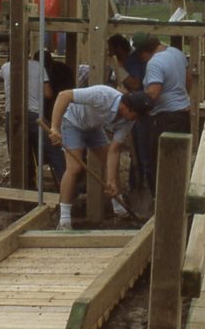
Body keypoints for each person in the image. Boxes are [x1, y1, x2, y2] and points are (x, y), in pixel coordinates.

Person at [48, 86, 153, 230]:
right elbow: (63, 95)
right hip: (73, 122)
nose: (136, 119)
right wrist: (55, 127)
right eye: (136, 115)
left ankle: (118, 207)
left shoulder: (129, 121)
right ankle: (64, 219)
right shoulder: (102, 95)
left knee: (111, 165)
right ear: (126, 108)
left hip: (94, 127)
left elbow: (114, 151)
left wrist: (111, 181)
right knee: (74, 168)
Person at [0, 51, 66, 187]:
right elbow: (48, 93)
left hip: (11, 115)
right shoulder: (39, 66)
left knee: (18, 152)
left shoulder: (5, 67)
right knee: (54, 149)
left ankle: (24, 185)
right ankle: (68, 185)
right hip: (34, 115)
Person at [137, 35, 191, 192]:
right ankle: (180, 198)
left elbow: (153, 93)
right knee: (180, 160)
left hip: (165, 118)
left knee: (160, 163)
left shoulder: (154, 63)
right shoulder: (176, 53)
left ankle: (162, 201)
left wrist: (138, 105)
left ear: (143, 53)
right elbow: (188, 80)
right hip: (182, 114)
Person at [108, 33, 152, 191]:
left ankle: (143, 186)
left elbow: (135, 84)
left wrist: (118, 69)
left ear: (119, 48)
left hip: (140, 110)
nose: (110, 53)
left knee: (142, 151)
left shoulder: (133, 60)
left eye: (112, 50)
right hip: (134, 108)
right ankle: (136, 184)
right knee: (137, 152)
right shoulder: (129, 60)